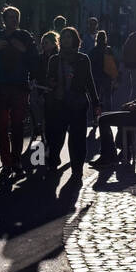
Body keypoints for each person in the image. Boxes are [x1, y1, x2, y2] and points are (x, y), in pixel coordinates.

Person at [0, 5, 37, 178]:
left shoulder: (25, 37)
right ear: (3, 20)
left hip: (19, 86)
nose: (13, 20)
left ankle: (16, 160)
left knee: (18, 125)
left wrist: (24, 50)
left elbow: (34, 61)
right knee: (1, 126)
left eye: (16, 17)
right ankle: (6, 162)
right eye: (10, 17)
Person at [45, 26, 101, 182]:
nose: (66, 40)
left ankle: (77, 170)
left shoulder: (83, 59)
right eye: (63, 37)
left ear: (75, 40)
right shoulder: (54, 60)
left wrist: (96, 102)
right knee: (56, 136)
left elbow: (90, 82)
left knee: (77, 139)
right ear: (60, 41)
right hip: (59, 103)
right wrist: (51, 82)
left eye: (69, 37)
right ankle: (53, 162)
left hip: (78, 103)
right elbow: (49, 80)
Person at [29, 30, 59, 146]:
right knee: (33, 101)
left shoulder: (57, 57)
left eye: (46, 43)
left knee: (47, 111)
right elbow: (35, 72)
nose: (43, 45)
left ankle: (46, 135)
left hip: (52, 90)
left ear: (53, 44)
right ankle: (38, 125)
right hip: (41, 87)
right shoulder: (40, 57)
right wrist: (33, 80)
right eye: (42, 43)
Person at [90, 28, 118, 111]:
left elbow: (90, 63)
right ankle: (108, 113)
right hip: (107, 76)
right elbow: (116, 62)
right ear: (105, 38)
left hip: (96, 76)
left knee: (97, 96)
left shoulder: (93, 51)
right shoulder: (109, 50)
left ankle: (96, 114)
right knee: (108, 97)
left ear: (97, 38)